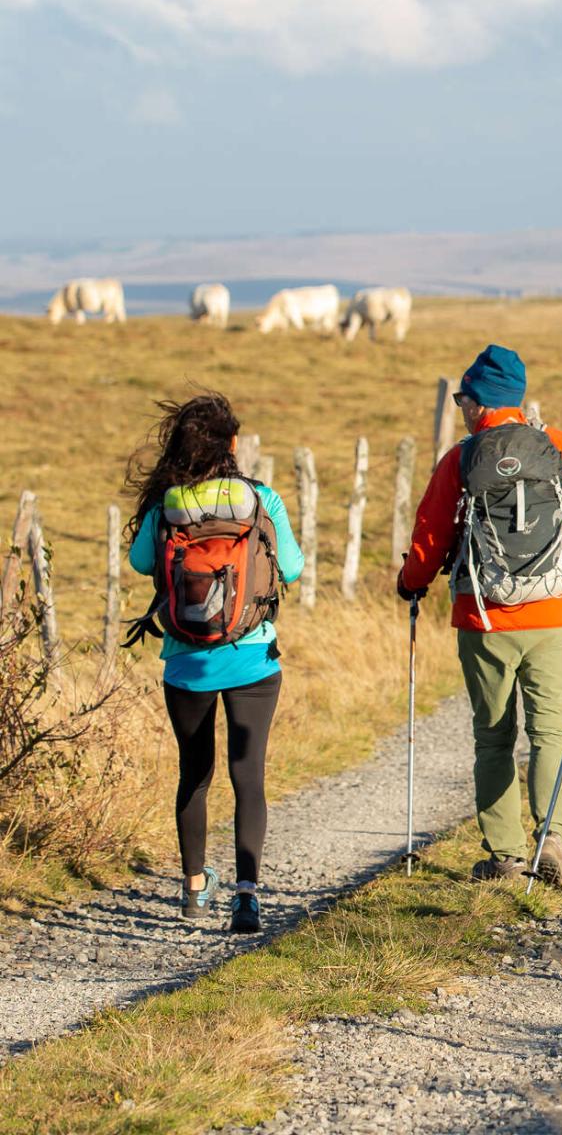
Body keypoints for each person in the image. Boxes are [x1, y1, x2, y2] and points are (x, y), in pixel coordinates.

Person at [398, 344, 562, 889]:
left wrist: (410, 583)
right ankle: (555, 836)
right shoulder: (559, 447)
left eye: (464, 398)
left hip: (485, 618)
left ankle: (505, 856)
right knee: (551, 731)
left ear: (479, 404)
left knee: (494, 736)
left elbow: (430, 538)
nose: (461, 407)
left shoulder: (460, 459)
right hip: (554, 611)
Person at [125, 394, 304, 934]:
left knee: (195, 774)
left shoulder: (168, 504)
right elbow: (291, 568)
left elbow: (138, 562)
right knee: (248, 776)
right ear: (232, 445)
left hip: (185, 664)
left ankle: (194, 891)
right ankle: (247, 898)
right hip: (253, 657)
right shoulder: (261, 499)